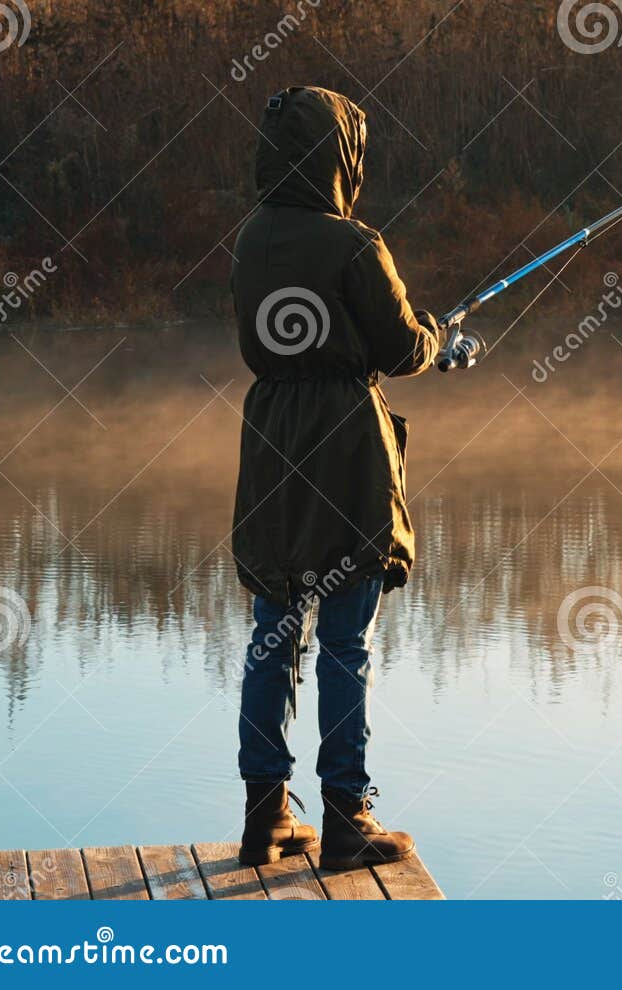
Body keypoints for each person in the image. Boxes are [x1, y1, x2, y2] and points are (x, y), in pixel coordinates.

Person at [228, 86, 441, 870]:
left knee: (273, 635)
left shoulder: (250, 240)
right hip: (347, 452)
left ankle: (265, 816)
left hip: (272, 438)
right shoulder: (357, 244)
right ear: (336, 157)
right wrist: (440, 342)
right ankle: (347, 819)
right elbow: (400, 347)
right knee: (346, 641)